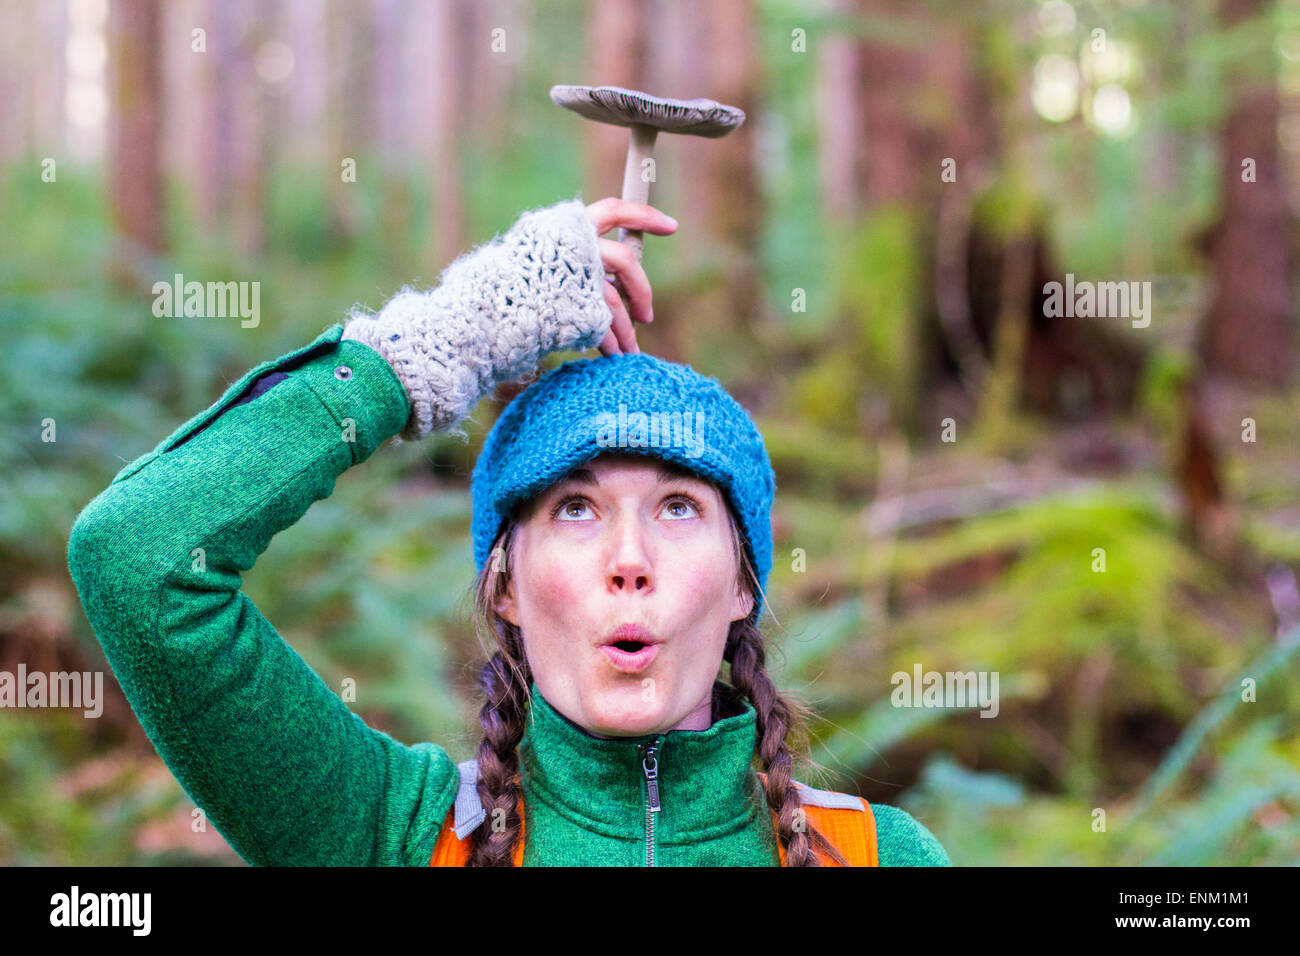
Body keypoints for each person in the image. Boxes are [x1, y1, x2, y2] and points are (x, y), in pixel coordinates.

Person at [67, 195, 951, 867]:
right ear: (505, 585)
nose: (630, 561)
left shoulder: (881, 857)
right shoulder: (393, 832)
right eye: (575, 509)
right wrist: (446, 339)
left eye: (678, 507)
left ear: (744, 582)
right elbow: (139, 555)